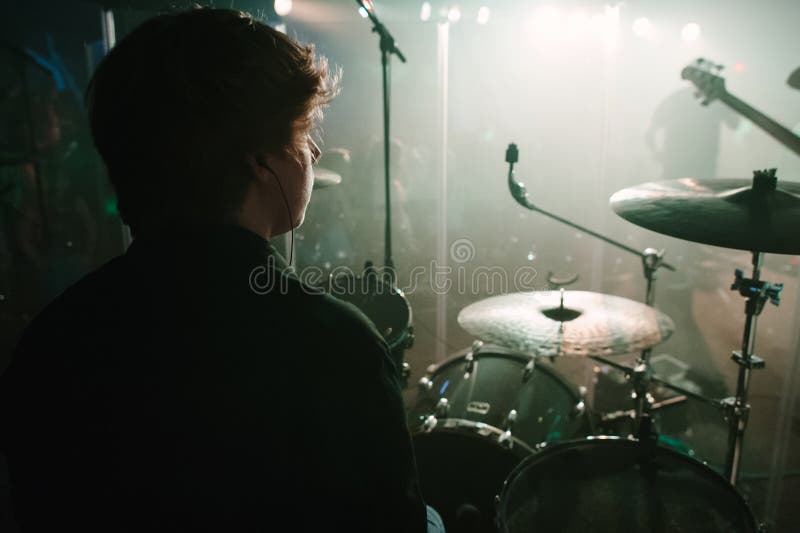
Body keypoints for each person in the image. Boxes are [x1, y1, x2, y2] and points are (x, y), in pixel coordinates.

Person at [0, 8, 443, 532]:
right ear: (258, 158)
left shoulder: (50, 342)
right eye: (305, 131)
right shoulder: (333, 348)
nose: (315, 150)